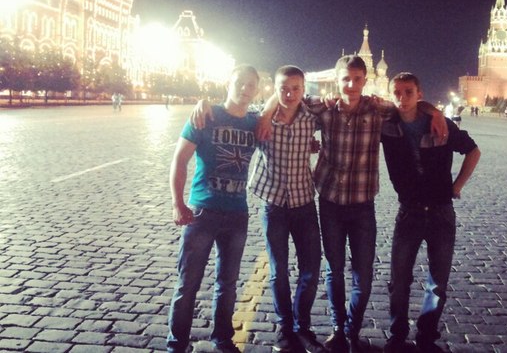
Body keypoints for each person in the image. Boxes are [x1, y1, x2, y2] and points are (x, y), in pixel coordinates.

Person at [258, 55, 446, 353]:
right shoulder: (323, 108)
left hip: (362, 206)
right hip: (330, 203)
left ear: (365, 80)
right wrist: (266, 112)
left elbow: (408, 103)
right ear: (337, 79)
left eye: (357, 79)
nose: (351, 85)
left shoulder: (378, 109)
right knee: (334, 271)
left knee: (364, 276)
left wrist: (435, 112)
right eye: (345, 79)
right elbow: (287, 96)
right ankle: (337, 329)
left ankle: (352, 330)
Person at [381, 72, 481, 353]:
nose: (402, 98)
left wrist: (457, 185)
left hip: (441, 213)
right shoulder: (386, 125)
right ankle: (397, 335)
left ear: (419, 94)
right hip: (409, 212)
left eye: (408, 92)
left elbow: (473, 151)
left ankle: (426, 337)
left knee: (437, 283)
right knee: (399, 281)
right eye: (397, 92)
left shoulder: (441, 124)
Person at [166, 65, 260, 353]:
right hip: (202, 212)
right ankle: (176, 344)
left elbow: (285, 105)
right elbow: (180, 159)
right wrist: (178, 203)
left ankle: (223, 339)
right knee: (188, 284)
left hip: (237, 214)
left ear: (256, 90)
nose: (244, 89)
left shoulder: (255, 123)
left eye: (251, 85)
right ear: (228, 83)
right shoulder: (206, 116)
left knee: (228, 284)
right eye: (240, 82)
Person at [248, 65, 325, 353]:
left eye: (295, 88)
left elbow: (344, 102)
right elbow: (229, 113)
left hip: (304, 202)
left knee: (311, 269)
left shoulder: (312, 116)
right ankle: (285, 327)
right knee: (278, 271)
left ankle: (302, 326)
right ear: (275, 89)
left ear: (304, 89)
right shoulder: (261, 119)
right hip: (273, 204)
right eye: (283, 89)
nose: (290, 94)